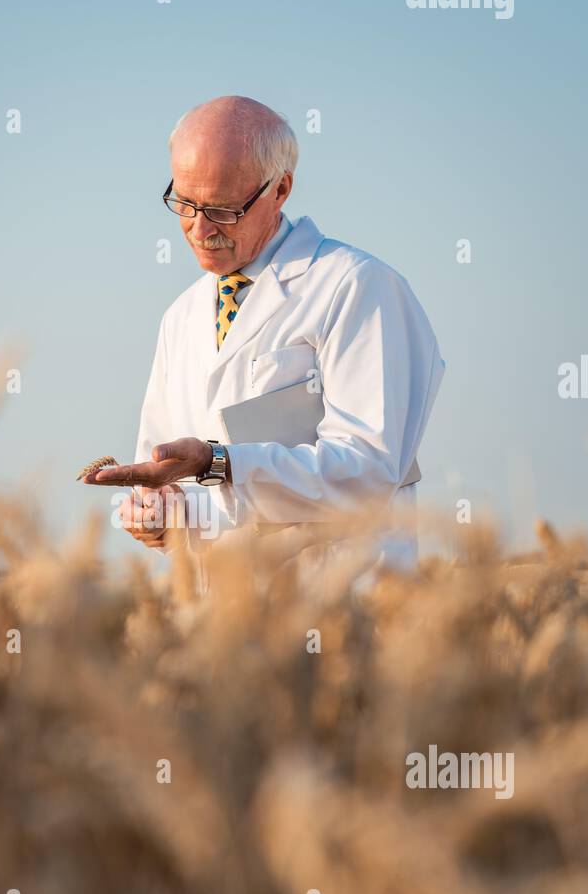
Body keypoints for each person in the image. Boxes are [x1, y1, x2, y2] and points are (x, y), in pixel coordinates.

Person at [84, 95, 445, 574]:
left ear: (280, 189)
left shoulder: (358, 286)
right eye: (184, 203)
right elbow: (170, 482)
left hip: (347, 609)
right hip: (227, 622)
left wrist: (219, 463)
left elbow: (368, 470)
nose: (198, 228)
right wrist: (158, 516)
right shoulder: (181, 317)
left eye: (222, 209)